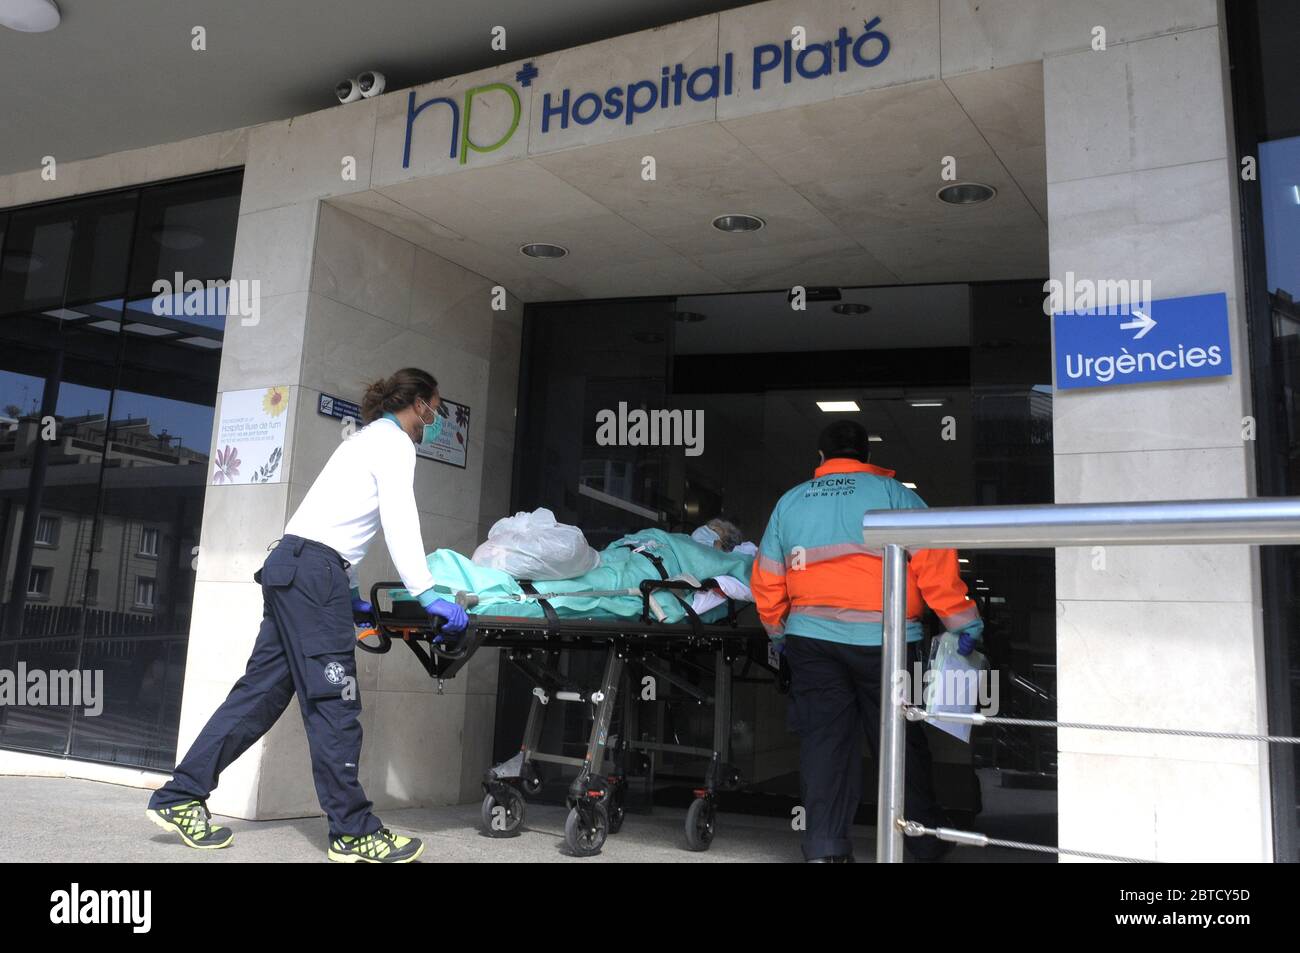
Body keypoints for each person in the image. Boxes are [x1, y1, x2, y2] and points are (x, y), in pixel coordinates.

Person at [146, 368, 469, 863]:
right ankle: (353, 831)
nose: (437, 419)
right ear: (420, 404)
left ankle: (180, 796)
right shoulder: (395, 442)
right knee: (334, 701)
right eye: (437, 407)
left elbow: (334, 518)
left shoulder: (361, 442)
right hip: (313, 574)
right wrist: (427, 593)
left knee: (260, 694)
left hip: (294, 566)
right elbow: (399, 518)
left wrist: (353, 590)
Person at [750, 420, 983, 863]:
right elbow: (936, 569)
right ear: (866, 457)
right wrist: (962, 625)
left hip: (812, 643)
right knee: (901, 743)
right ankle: (921, 841)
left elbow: (766, 580)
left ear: (820, 458)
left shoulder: (790, 503)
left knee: (824, 744)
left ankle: (824, 849)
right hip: (889, 642)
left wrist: (779, 633)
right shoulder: (897, 497)